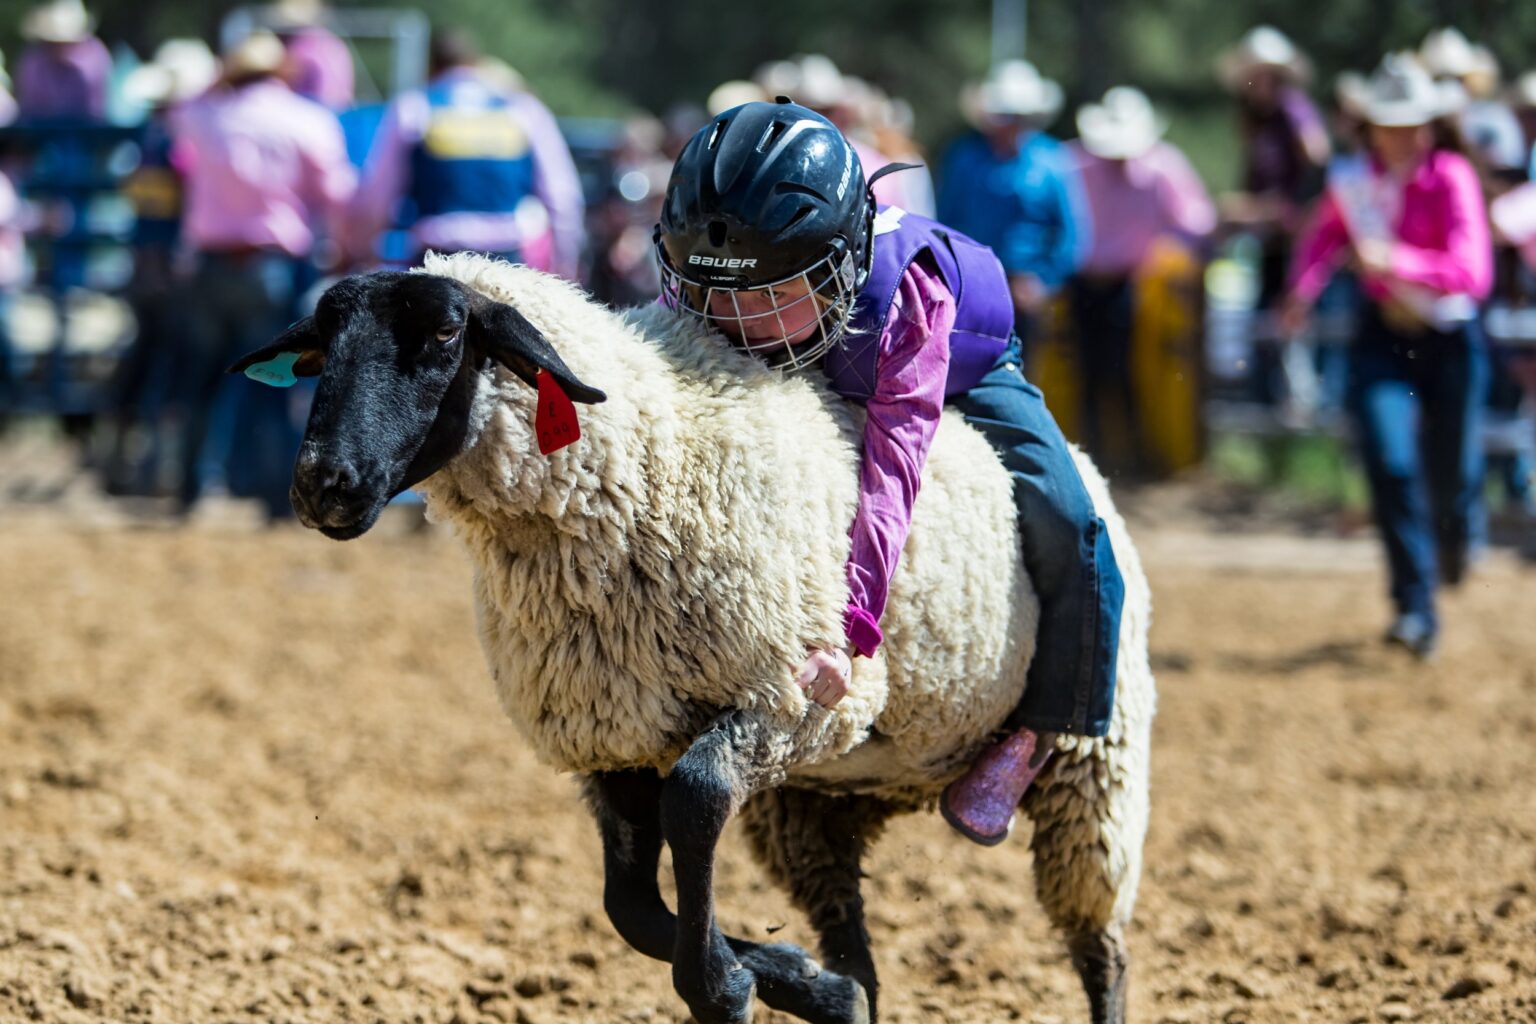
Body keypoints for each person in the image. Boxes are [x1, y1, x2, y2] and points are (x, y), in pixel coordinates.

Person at [654, 99, 1124, 844]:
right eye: (716, 294)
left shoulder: (907, 299)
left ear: (837, 266)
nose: (739, 323)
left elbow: (891, 476)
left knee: (1072, 519)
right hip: (822, 345)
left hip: (959, 366)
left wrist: (848, 633)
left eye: (774, 295)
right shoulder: (721, 286)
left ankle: (1040, 734)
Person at [1279, 54, 1492, 659]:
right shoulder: (1354, 181)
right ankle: (1415, 607)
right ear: (1371, 127)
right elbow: (1327, 236)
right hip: (1384, 339)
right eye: (1388, 123)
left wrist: (1397, 260)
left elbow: (1471, 274)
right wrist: (1303, 290)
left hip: (1449, 342)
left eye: (1409, 122)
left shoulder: (1452, 177)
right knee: (1391, 461)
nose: (1399, 135)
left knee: (1449, 475)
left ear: (1428, 126)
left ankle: (1449, 545)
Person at [170, 30, 355, 517]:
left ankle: (192, 489)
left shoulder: (207, 115)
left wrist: (218, 80)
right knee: (274, 382)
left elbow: (179, 110)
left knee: (202, 381)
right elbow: (337, 193)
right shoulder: (306, 119)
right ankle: (276, 497)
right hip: (272, 265)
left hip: (210, 263)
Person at [346, 29, 584, 279]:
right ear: (476, 63)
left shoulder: (413, 108)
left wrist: (362, 253)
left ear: (431, 66)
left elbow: (377, 195)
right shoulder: (522, 109)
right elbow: (562, 196)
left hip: (437, 261)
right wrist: (566, 263)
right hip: (506, 262)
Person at [1067, 87, 1215, 469]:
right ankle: (1095, 449)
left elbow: (1196, 223)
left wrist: (1163, 254)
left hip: (1134, 283)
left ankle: (1130, 451)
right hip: (1081, 281)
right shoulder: (1072, 164)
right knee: (1086, 369)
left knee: (1128, 370)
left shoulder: (1163, 167)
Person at [938, 60, 1090, 364]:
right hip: (972, 285)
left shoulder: (1051, 160)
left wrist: (1044, 282)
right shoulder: (965, 157)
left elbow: (1072, 234)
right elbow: (945, 221)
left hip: (1026, 290)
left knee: (1022, 369)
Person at [14, 0, 110, 122]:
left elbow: (95, 112)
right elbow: (29, 110)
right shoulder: (34, 60)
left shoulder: (94, 56)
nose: (59, 46)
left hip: (85, 133)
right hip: (40, 133)